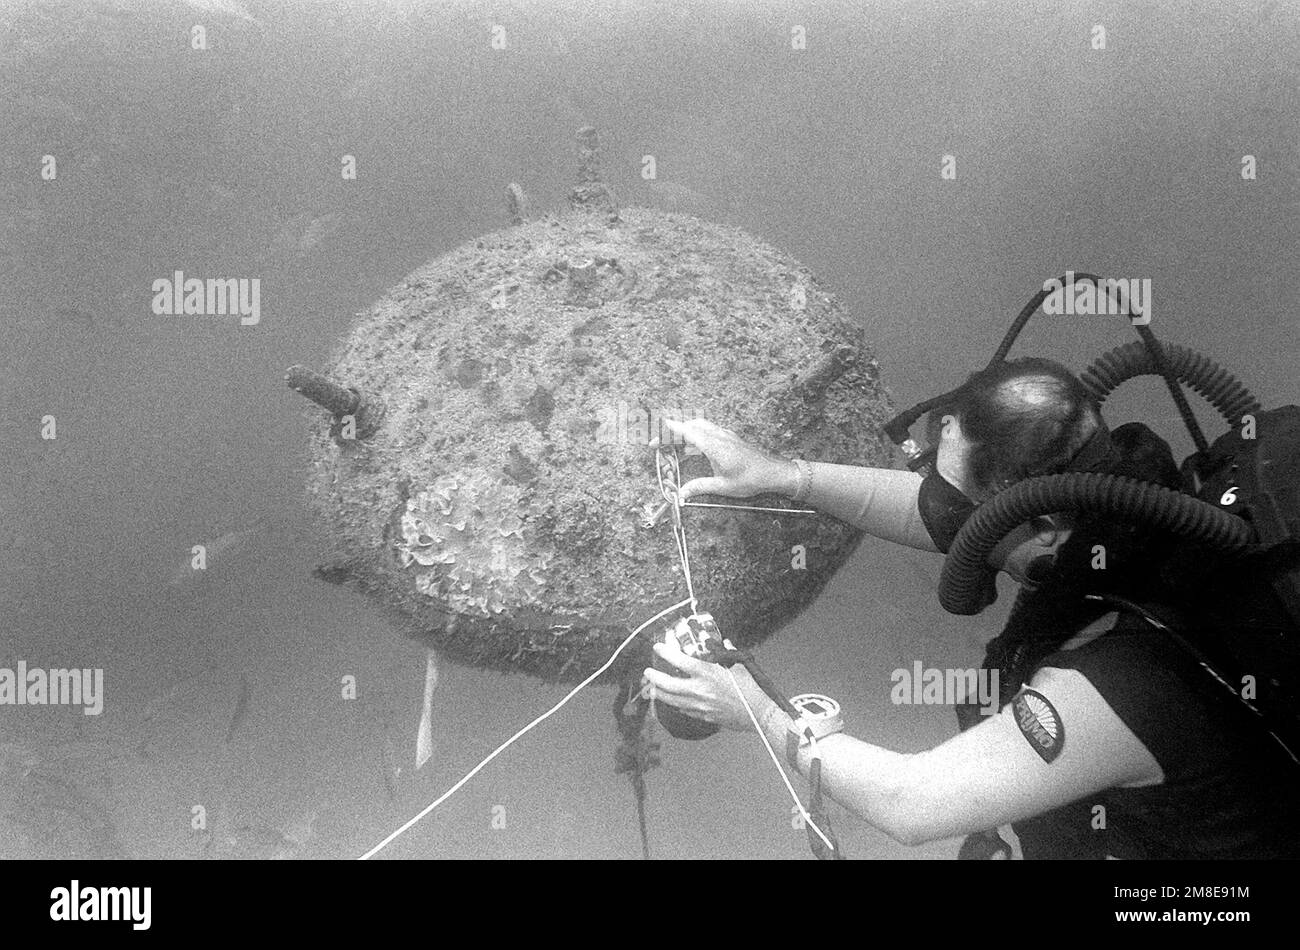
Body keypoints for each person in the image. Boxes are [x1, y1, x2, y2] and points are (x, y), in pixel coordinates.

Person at [644, 357, 1300, 859]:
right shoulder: (1144, 513)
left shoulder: (1131, 680)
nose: (951, 528)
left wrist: (752, 711)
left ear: (1038, 520)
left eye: (964, 511)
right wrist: (787, 476)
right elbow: (953, 515)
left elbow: (912, 804)